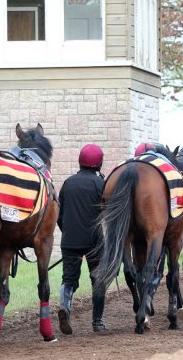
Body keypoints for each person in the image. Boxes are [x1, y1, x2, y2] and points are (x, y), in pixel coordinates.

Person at [58, 143, 108, 334]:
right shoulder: (99, 184)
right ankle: (97, 322)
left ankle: (64, 306)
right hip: (94, 241)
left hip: (69, 239)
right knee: (98, 279)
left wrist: (68, 233)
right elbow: (106, 213)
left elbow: (60, 216)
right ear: (99, 163)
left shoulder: (68, 183)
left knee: (68, 279)